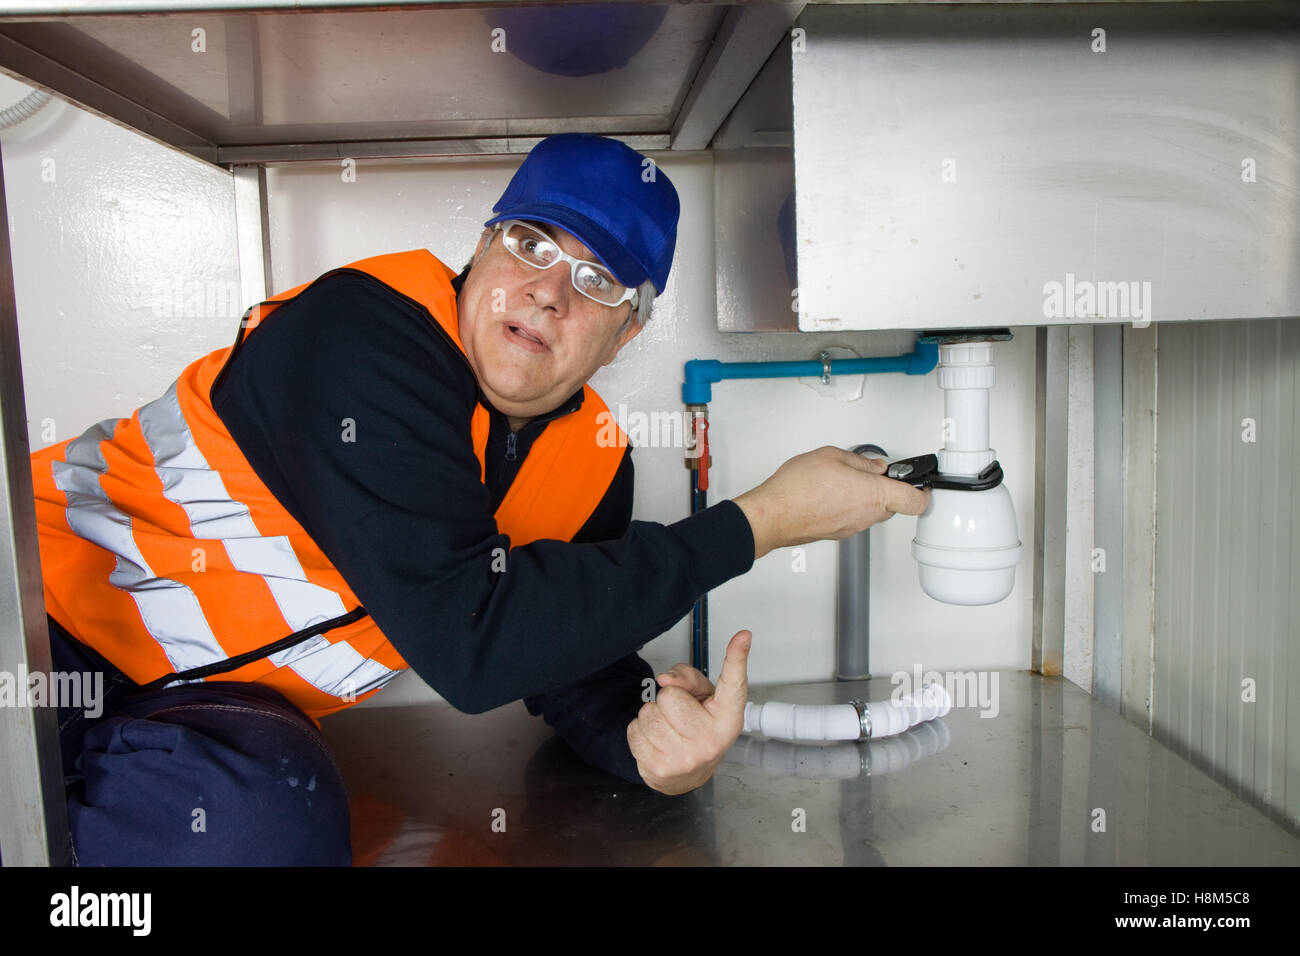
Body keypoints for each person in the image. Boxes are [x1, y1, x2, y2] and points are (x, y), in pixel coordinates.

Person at [29, 133, 929, 865]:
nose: (546, 290)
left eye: (597, 281)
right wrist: (760, 522)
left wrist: (647, 740)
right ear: (482, 249)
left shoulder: (594, 460)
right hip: (37, 617)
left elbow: (569, 662)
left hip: (191, 714)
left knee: (265, 835)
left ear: (627, 333)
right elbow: (473, 643)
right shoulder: (364, 331)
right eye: (532, 243)